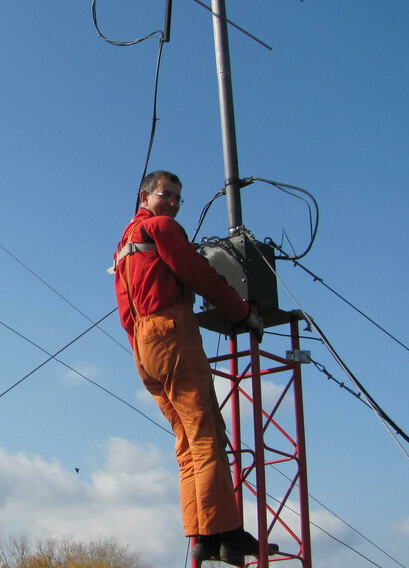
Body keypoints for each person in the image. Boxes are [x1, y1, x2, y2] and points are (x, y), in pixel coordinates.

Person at [111, 170, 272, 565]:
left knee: (187, 443)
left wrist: (143, 343)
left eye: (178, 198)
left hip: (143, 346)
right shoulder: (162, 227)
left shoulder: (122, 247)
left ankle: (201, 534)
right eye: (166, 195)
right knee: (206, 435)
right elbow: (198, 273)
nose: (173, 204)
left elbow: (124, 312)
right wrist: (241, 310)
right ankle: (228, 534)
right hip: (170, 330)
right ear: (144, 196)